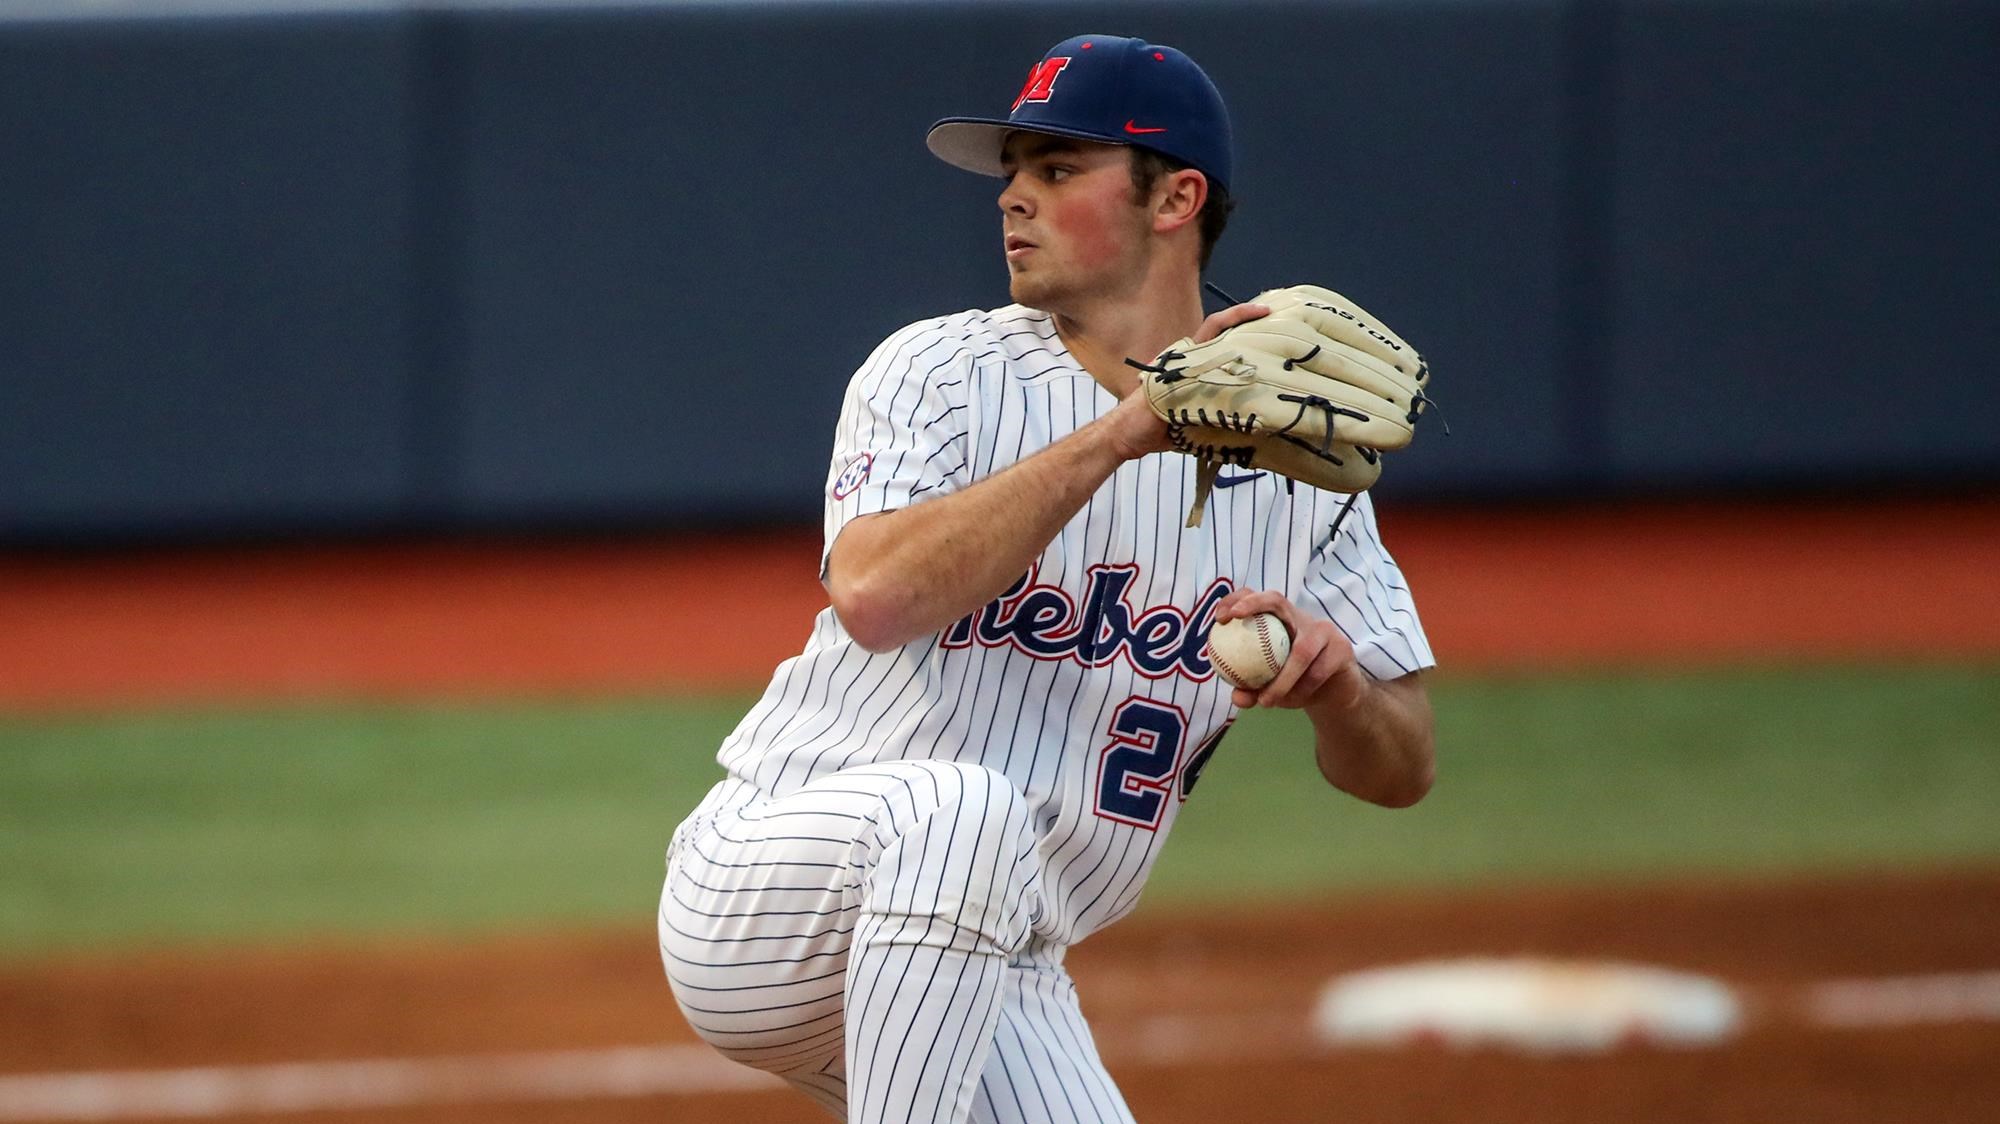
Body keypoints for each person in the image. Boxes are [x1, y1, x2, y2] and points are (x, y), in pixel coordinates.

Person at [658, 33, 1435, 1124]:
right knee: (967, 810)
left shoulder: (1295, 455)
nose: (1011, 197)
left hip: (992, 949)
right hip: (773, 893)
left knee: (978, 841)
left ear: (1175, 199)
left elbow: (1404, 764)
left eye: (1058, 168)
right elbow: (873, 596)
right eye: (1014, 171)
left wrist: (1339, 689)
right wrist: (1126, 431)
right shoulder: (941, 370)